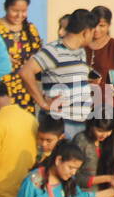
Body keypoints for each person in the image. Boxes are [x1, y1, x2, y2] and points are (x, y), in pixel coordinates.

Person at [20, 8, 96, 140]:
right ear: (86, 32)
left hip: (81, 121)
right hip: (63, 122)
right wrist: (43, 103)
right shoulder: (53, 50)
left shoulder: (81, 52)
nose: (93, 37)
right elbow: (25, 72)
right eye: (93, 32)